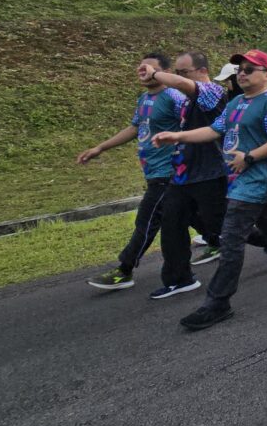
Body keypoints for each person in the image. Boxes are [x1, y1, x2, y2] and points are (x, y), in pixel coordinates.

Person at [154, 49, 267, 330]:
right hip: (240, 180)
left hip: (257, 180)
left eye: (250, 69)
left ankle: (218, 302)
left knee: (231, 237)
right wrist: (177, 135)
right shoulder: (236, 103)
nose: (242, 74)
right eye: (240, 70)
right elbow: (214, 130)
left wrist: (248, 157)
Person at [80, 52, 188, 292]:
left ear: (163, 72)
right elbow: (135, 128)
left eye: (151, 68)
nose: (144, 72)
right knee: (195, 218)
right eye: (142, 67)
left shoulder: (174, 96)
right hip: (152, 172)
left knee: (147, 220)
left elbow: (193, 126)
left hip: (168, 171)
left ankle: (124, 269)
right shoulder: (144, 98)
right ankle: (236, 240)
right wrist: (100, 147)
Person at [151, 51, 230, 285]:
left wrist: (156, 73)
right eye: (176, 72)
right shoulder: (187, 99)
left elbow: (182, 85)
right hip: (184, 173)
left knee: (221, 227)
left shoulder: (213, 92)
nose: (178, 77)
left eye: (183, 72)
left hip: (210, 171)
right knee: (171, 222)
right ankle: (179, 279)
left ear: (202, 71)